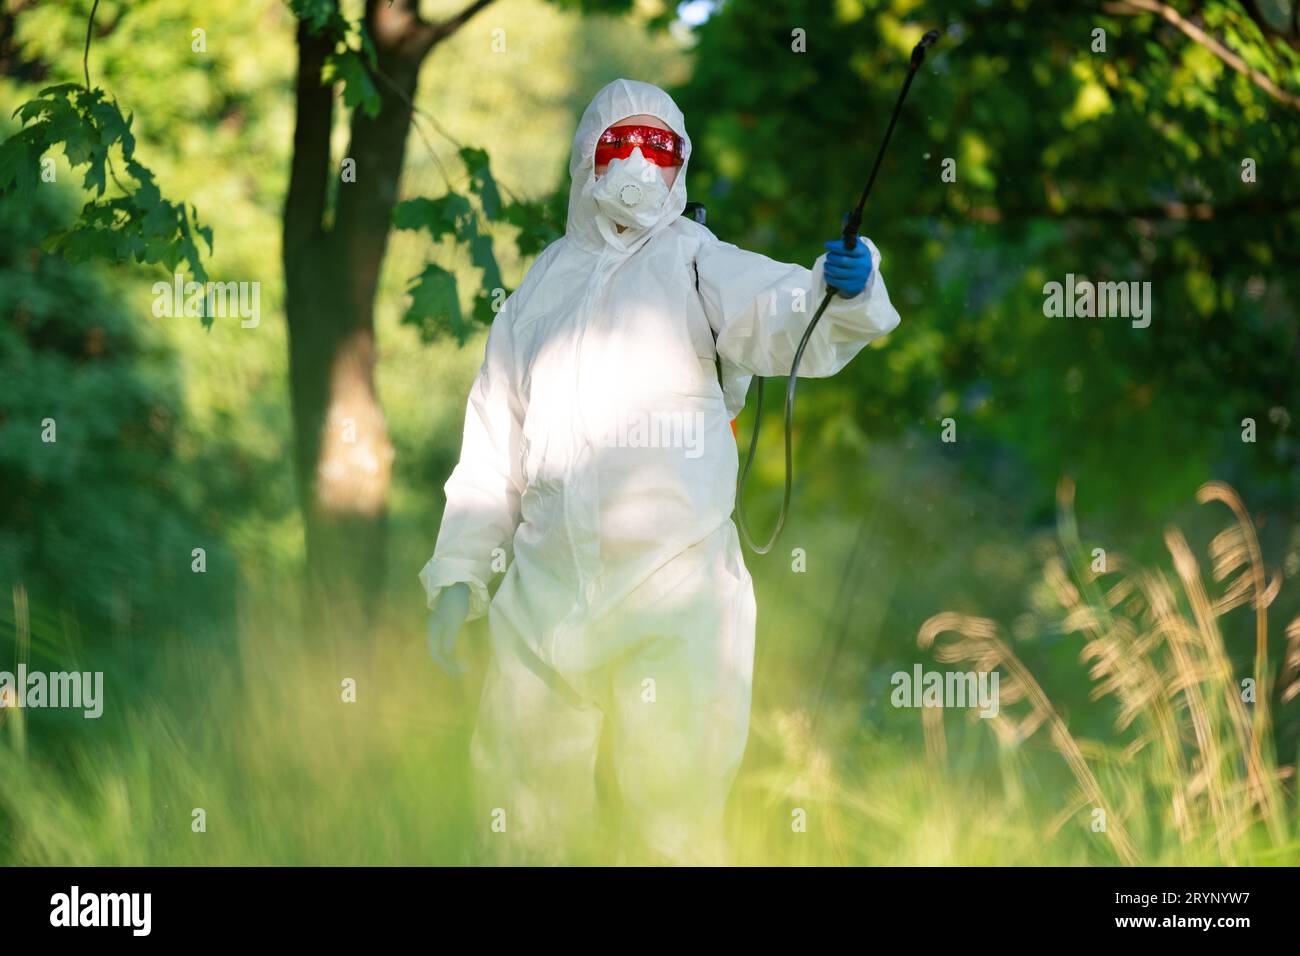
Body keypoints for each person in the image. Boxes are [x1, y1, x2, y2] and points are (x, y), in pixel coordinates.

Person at [420, 78, 899, 863]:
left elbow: (783, 313)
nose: (641, 163)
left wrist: (840, 285)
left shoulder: (697, 265)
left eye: (660, 149)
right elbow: (490, 448)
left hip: (675, 592)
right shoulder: (537, 288)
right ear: (587, 158)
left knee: (671, 825)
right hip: (542, 592)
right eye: (622, 145)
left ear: (680, 167)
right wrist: (459, 573)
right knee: (518, 820)